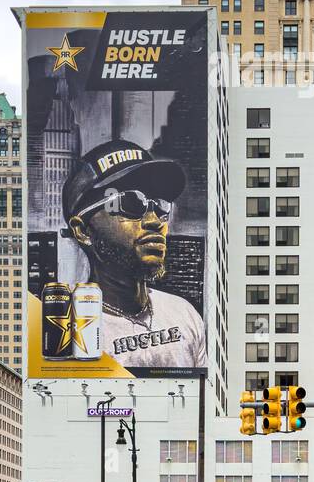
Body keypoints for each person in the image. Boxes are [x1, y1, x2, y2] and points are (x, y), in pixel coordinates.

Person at [62, 139, 207, 369]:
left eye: (159, 205)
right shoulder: (63, 332)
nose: (154, 221)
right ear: (82, 230)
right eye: (130, 202)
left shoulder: (184, 314)